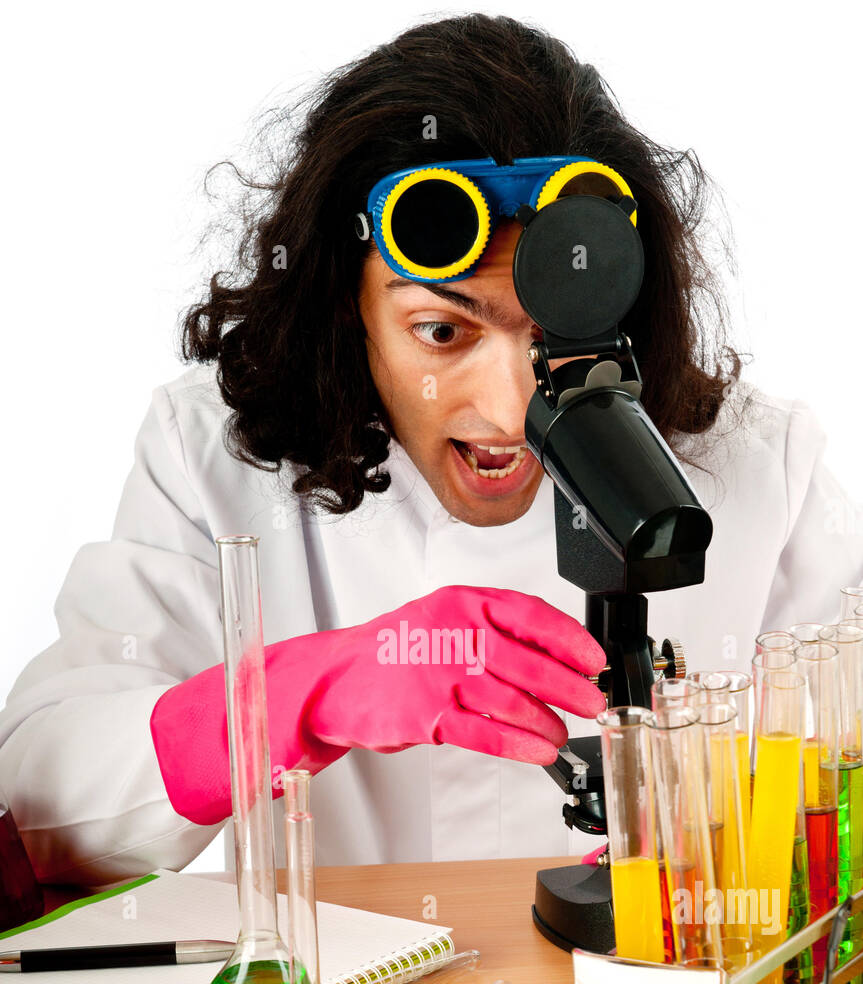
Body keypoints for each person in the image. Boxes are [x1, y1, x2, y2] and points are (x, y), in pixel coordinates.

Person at [1, 14, 860, 887]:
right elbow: (42, 812)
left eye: (557, 332)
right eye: (442, 330)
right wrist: (300, 694)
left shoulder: (758, 459)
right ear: (346, 303)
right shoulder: (215, 458)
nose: (512, 407)